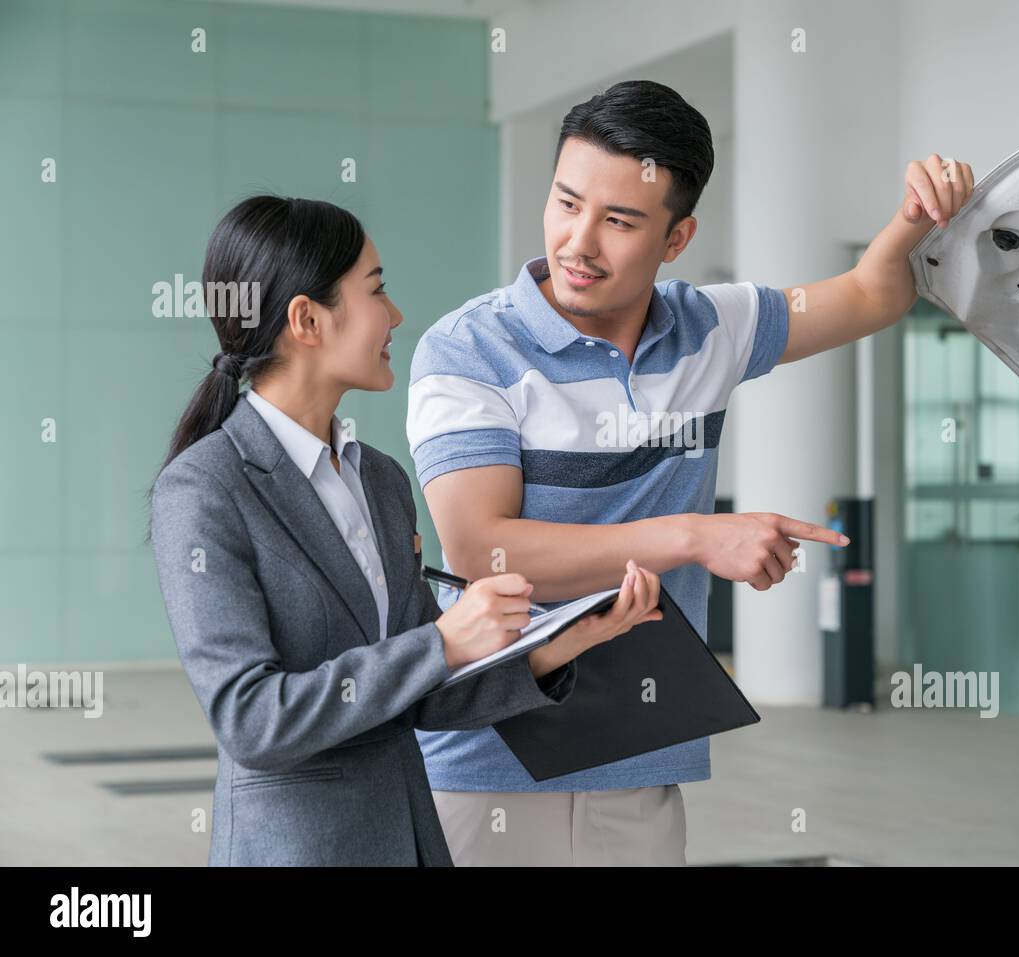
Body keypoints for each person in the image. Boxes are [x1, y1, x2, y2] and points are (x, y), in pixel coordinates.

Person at [407, 80, 973, 866]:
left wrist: (911, 220)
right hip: (489, 762)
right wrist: (697, 536)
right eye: (567, 203)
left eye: (620, 221)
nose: (579, 241)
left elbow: (874, 293)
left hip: (638, 752)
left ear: (677, 239)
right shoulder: (469, 350)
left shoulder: (714, 326)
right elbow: (480, 548)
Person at [148, 195, 662, 866]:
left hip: (412, 841)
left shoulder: (382, 481)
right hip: (301, 849)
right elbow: (252, 719)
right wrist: (444, 640)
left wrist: (555, 646)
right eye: (376, 289)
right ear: (306, 319)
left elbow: (421, 687)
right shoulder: (205, 487)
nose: (396, 315)